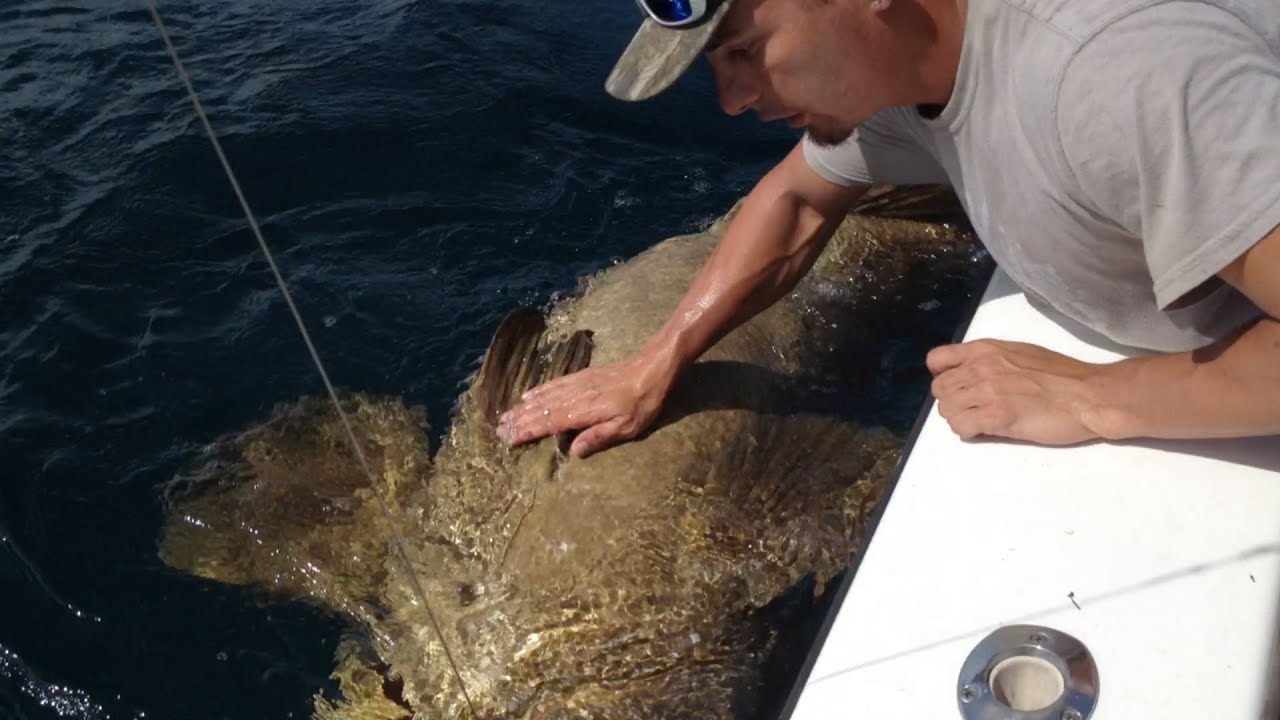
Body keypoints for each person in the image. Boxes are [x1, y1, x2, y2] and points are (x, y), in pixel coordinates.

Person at [498, 0, 1280, 458]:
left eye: (744, 51)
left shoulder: (1113, 77)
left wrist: (1099, 400)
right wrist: (656, 361)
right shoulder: (910, 83)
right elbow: (797, 201)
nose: (732, 99)